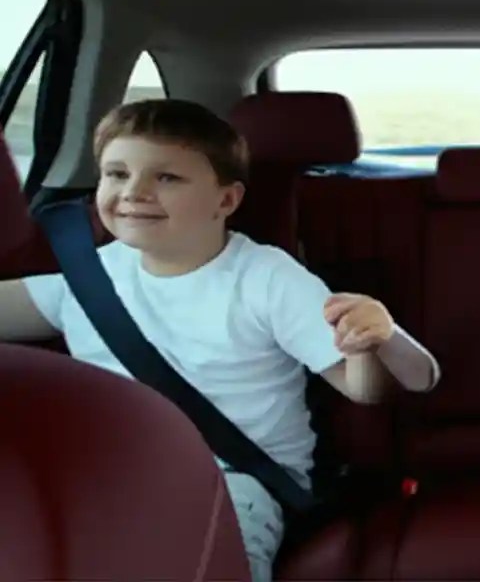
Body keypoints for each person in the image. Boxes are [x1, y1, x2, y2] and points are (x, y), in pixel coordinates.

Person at [0, 98, 442, 582]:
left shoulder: (266, 279)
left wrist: (365, 347)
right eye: (116, 174)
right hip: (107, 473)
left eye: (167, 178)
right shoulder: (85, 277)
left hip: (233, 479)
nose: (134, 192)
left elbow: (365, 390)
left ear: (226, 201)